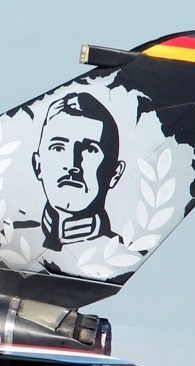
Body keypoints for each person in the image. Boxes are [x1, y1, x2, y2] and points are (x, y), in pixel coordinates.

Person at [30, 92, 125, 250]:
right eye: (59, 147)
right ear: (37, 165)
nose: (73, 165)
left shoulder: (120, 256)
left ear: (115, 174)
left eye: (90, 150)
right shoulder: (2, 242)